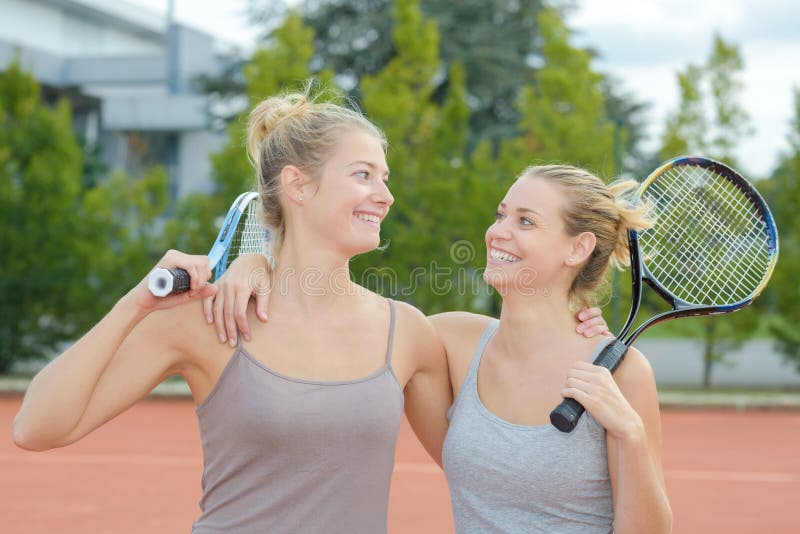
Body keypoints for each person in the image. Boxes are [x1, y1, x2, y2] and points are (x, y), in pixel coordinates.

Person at [11, 88, 607, 533]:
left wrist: (573, 332)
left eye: (385, 177)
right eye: (363, 175)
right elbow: (37, 427)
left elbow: (485, 469)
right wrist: (138, 301)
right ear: (298, 185)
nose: (385, 195)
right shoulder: (207, 320)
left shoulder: (407, 333)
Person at [212, 166, 671, 533]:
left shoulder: (623, 375)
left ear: (578, 248)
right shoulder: (452, 341)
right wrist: (257, 264)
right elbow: (336, 324)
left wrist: (629, 431)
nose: (498, 232)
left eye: (526, 221)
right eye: (501, 215)